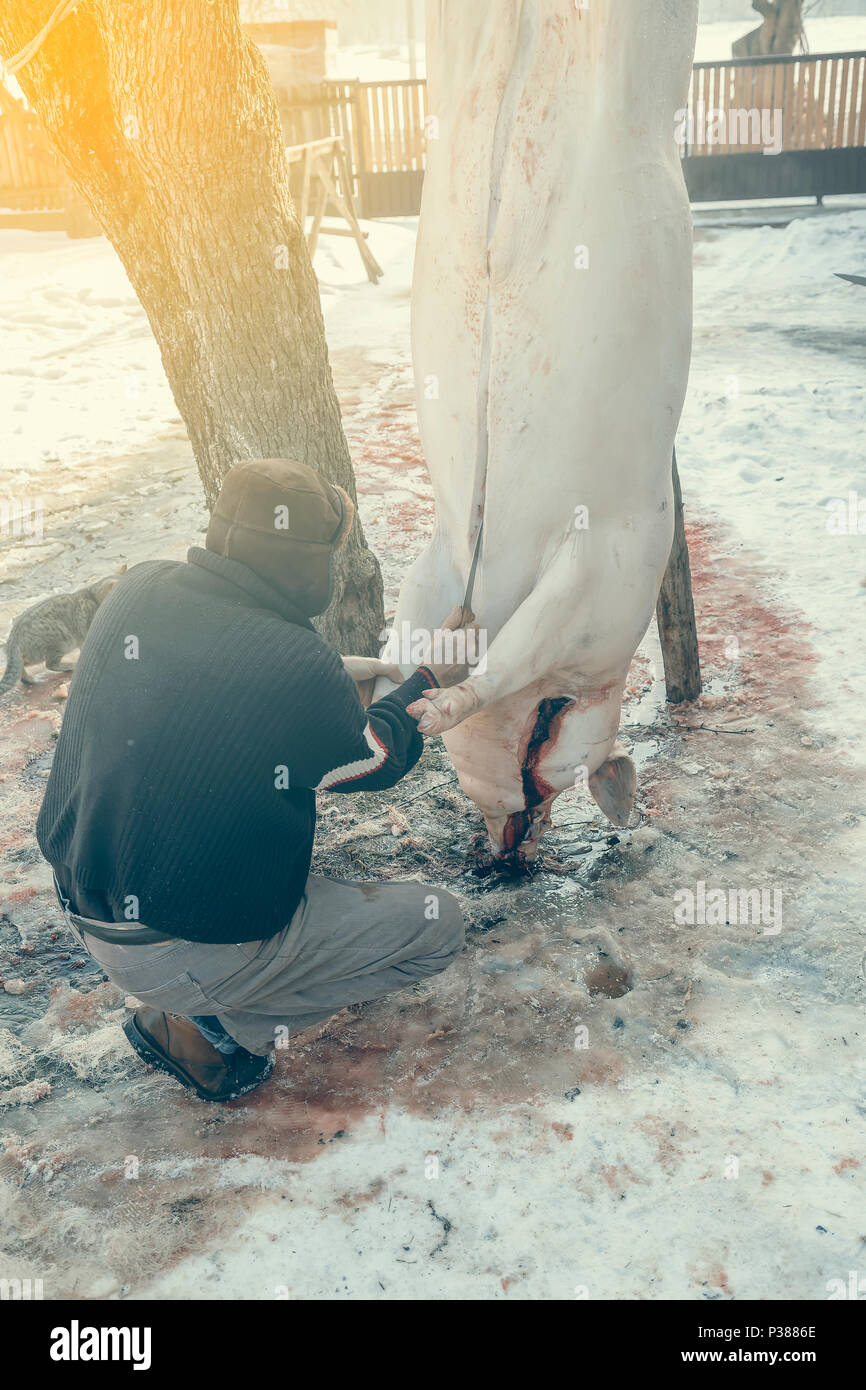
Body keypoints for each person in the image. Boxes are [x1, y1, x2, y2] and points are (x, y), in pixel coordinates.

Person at [37, 458, 473, 1102]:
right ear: (307, 566)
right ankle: (217, 1033)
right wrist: (429, 678)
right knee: (438, 925)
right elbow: (372, 758)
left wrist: (339, 671)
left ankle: (198, 999)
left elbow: (214, 681)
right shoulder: (288, 661)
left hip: (88, 900)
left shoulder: (141, 587)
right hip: (180, 940)